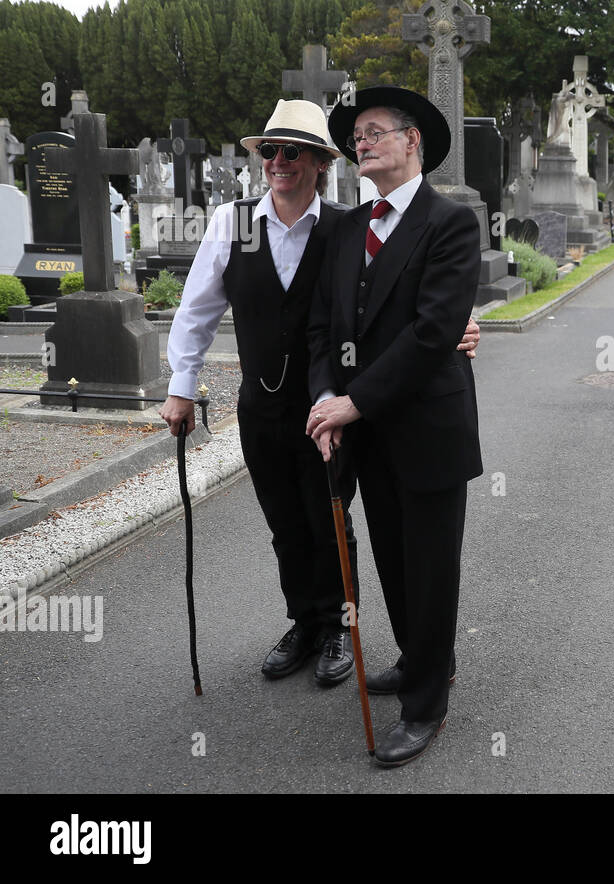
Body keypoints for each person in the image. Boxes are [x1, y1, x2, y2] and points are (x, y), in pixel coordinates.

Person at [160, 99, 481, 690]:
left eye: (292, 152)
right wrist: (182, 389)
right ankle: (304, 622)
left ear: (317, 163)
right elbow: (196, 311)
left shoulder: (342, 226)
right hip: (264, 402)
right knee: (286, 523)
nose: (278, 162)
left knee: (329, 518)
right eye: (269, 152)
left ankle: (339, 626)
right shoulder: (233, 225)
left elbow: (386, 308)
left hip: (332, 405)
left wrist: (458, 323)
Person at [306, 85, 482, 768]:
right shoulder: (348, 228)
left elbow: (434, 330)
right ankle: (420, 660)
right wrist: (326, 400)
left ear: (413, 142)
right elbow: (325, 325)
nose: (362, 142)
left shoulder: (450, 224)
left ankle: (426, 704)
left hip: (428, 427)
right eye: (357, 136)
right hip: (367, 430)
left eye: (376, 131)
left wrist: (356, 401)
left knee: (432, 568)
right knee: (394, 562)